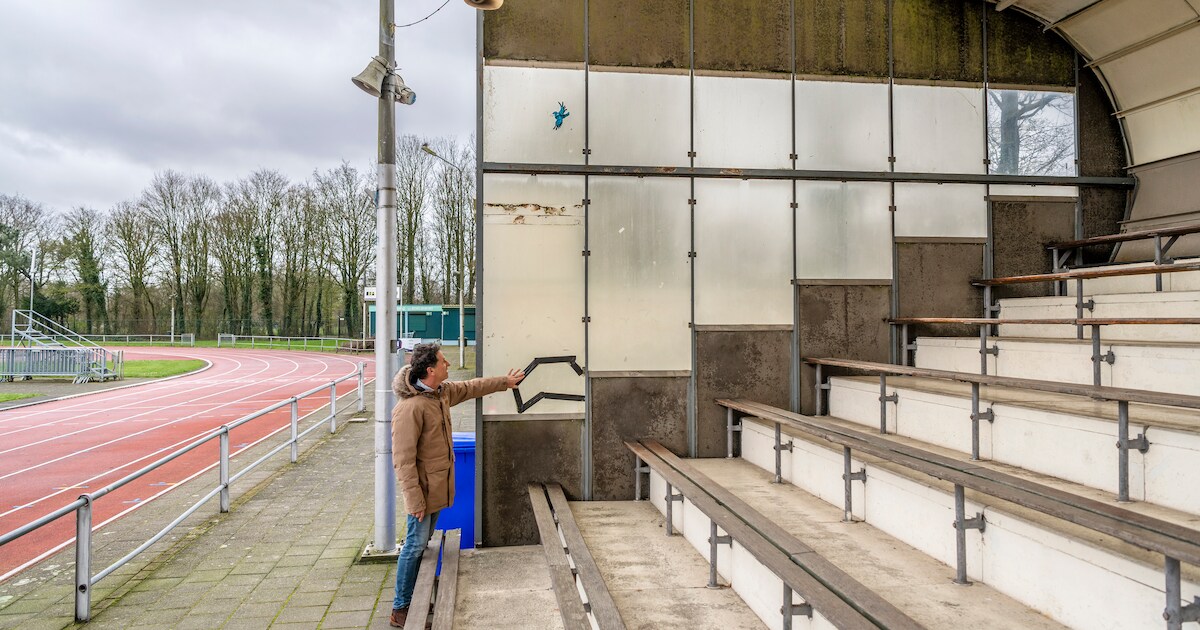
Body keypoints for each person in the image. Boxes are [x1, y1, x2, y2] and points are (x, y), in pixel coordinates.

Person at [389, 343, 524, 628]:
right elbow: (403, 461)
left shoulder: (441, 393)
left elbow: (472, 387)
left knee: (422, 543)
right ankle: (400, 608)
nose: (447, 364)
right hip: (423, 493)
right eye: (443, 361)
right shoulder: (409, 408)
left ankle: (413, 600)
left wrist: (505, 382)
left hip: (437, 487)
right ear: (430, 370)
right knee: (414, 545)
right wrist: (414, 501)